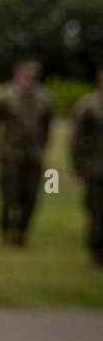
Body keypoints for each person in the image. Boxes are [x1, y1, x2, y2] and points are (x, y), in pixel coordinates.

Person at [0, 58, 54, 247]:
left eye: (33, 75)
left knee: (31, 197)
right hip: (10, 155)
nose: (29, 78)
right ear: (17, 73)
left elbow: (47, 127)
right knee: (8, 196)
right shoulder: (4, 96)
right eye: (26, 74)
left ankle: (22, 234)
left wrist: (42, 147)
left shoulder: (44, 98)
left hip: (34, 156)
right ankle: (5, 232)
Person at [70, 66, 103, 267]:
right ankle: (96, 253)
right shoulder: (88, 106)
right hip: (97, 169)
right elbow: (77, 140)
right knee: (97, 213)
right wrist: (78, 166)